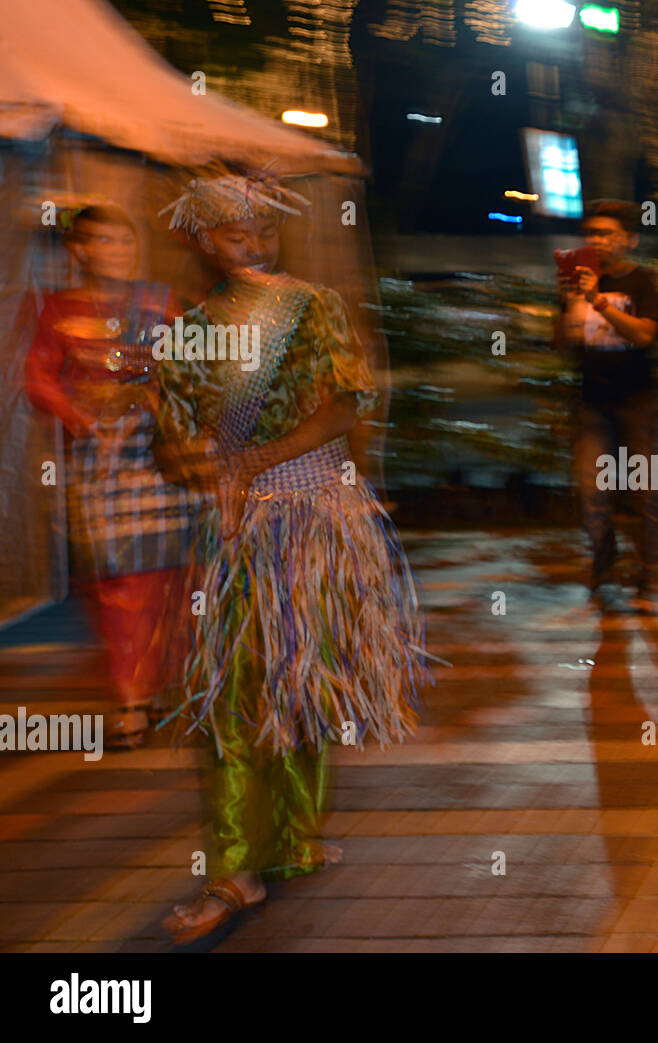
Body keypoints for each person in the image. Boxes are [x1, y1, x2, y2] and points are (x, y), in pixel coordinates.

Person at [152, 171, 432, 945]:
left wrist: (257, 458)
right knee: (241, 695)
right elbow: (168, 444)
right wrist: (210, 468)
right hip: (241, 535)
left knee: (304, 683)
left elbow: (349, 403)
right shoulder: (188, 332)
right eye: (236, 232)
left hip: (315, 523)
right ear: (202, 241)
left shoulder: (314, 308)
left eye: (265, 230)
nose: (255, 244)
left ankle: (297, 839)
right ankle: (236, 867)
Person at [24, 203, 201, 748]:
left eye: (124, 241)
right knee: (117, 579)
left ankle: (170, 687)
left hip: (163, 457)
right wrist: (81, 417)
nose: (117, 251)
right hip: (101, 463)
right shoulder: (59, 308)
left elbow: (200, 369)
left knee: (176, 576)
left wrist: (160, 386)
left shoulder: (163, 302)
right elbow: (38, 377)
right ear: (80, 250)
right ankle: (130, 698)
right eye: (102, 242)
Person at [554, 200, 658, 614]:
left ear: (629, 240)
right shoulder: (578, 283)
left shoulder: (644, 282)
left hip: (638, 405)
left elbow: (644, 335)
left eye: (606, 234)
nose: (596, 241)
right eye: (591, 234)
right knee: (591, 495)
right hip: (591, 406)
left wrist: (598, 302)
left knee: (645, 494)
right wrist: (571, 303)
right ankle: (603, 577)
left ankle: (646, 583)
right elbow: (564, 342)